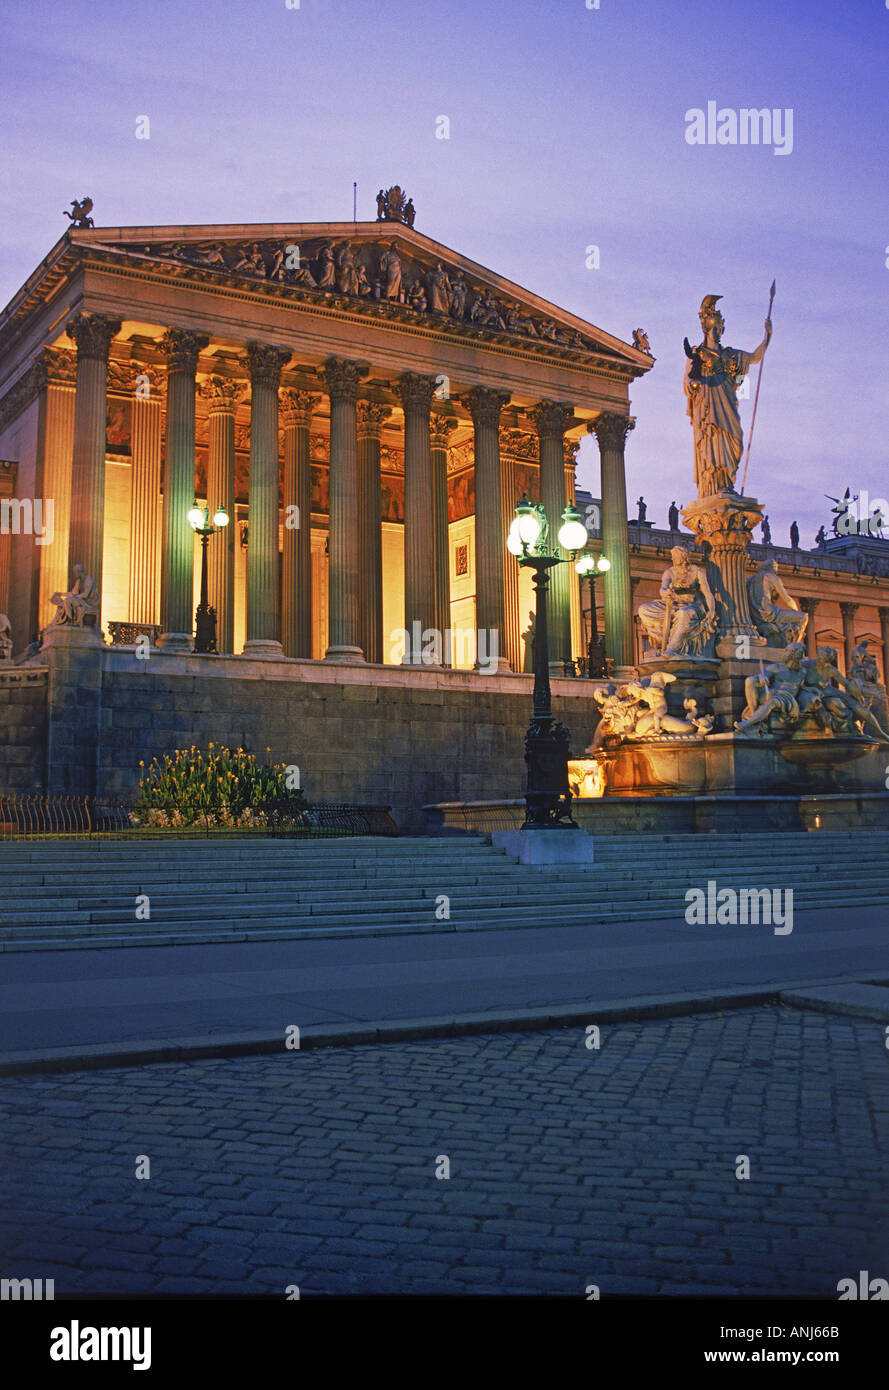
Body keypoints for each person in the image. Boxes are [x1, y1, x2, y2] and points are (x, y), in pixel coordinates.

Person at [683, 294, 771, 497]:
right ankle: (716, 484)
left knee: (735, 441)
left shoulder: (731, 356)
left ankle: (727, 483)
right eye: (713, 329)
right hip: (708, 410)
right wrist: (694, 384)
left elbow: (754, 357)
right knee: (712, 444)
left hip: (727, 406)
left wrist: (767, 338)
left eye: (720, 329)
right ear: (706, 329)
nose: (717, 332)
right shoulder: (697, 355)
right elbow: (687, 382)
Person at [637, 546, 717, 657]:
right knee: (643, 609)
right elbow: (663, 589)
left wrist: (711, 611)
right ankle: (661, 640)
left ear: (684, 557)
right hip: (673, 604)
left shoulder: (697, 571)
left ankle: (672, 648)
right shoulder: (669, 572)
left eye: (675, 556)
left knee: (683, 614)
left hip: (693, 606)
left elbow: (707, 593)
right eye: (673, 557)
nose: (673, 559)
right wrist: (666, 593)